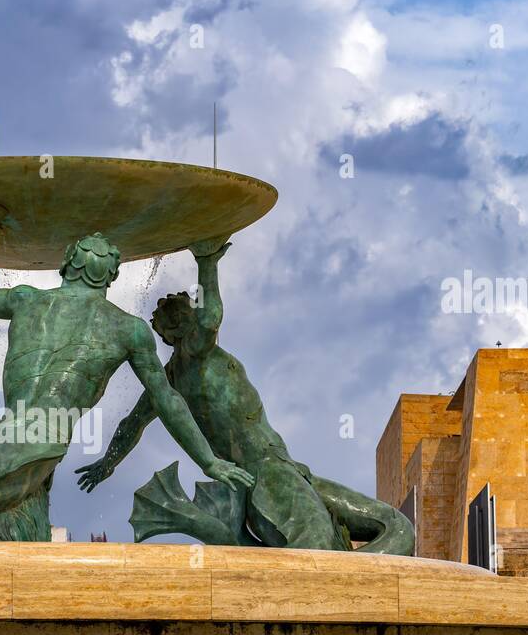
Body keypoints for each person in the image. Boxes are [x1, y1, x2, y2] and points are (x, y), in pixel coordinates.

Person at [0, 204, 254, 541]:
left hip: (12, 440)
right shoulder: (128, 328)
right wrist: (209, 462)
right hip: (37, 444)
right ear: (110, 277)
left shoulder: (27, 299)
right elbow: (168, 401)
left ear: (67, 265)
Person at [76, 238, 414, 555]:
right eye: (170, 317)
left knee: (398, 529)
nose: (180, 316)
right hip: (267, 477)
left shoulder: (179, 372)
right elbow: (133, 422)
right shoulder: (187, 362)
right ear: (166, 335)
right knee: (320, 552)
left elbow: (132, 424)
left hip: (287, 469)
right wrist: (207, 262)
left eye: (182, 309)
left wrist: (108, 463)